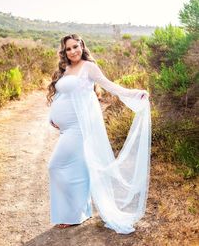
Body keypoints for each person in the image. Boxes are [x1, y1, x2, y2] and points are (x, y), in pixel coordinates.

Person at [46, 34, 151, 234]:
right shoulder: (66, 69)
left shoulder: (88, 67)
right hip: (65, 128)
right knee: (78, 168)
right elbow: (61, 95)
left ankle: (73, 214)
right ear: (64, 52)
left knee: (55, 166)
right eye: (68, 49)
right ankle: (78, 212)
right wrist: (52, 117)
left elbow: (109, 85)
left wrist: (134, 93)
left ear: (82, 46)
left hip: (78, 128)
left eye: (75, 46)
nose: (73, 51)